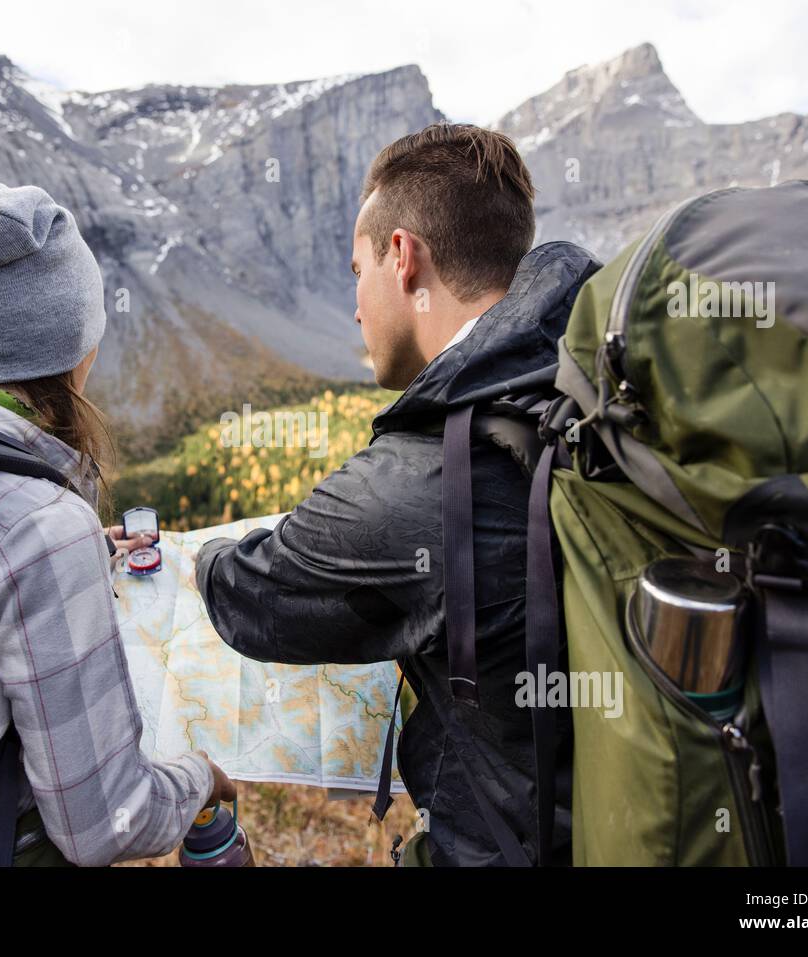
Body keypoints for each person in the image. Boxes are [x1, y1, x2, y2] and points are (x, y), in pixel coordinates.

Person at [195, 124, 600, 866]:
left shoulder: (421, 477)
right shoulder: (588, 383)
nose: (354, 306)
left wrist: (191, 554)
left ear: (403, 258)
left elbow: (247, 594)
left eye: (357, 271)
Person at [0, 177, 234, 866]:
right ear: (74, 340)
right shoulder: (40, 528)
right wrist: (202, 774)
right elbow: (108, 824)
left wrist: (88, 555)